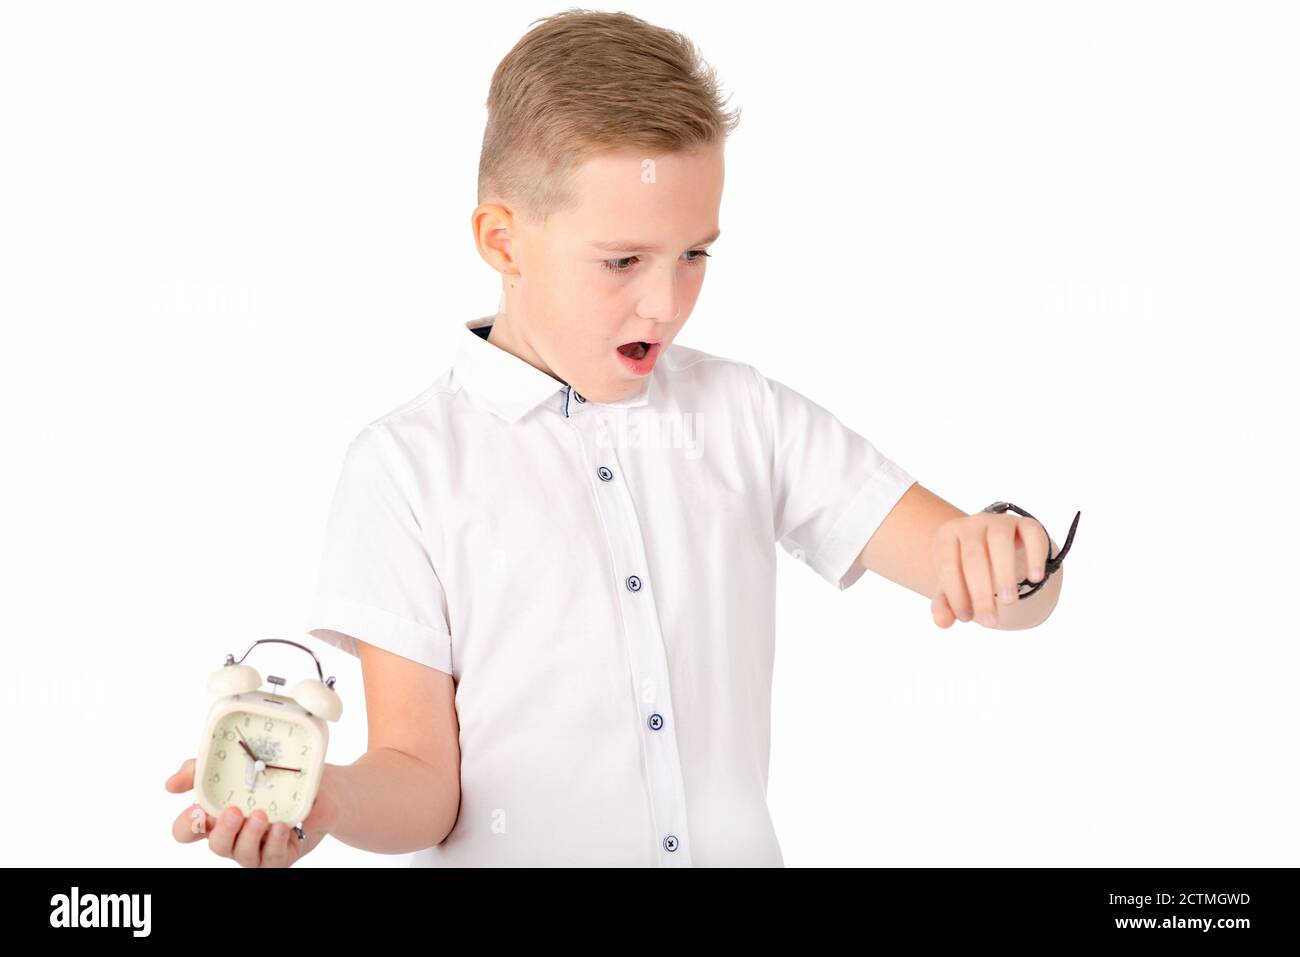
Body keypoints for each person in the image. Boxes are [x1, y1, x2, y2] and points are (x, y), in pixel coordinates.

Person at [167, 8, 1065, 868]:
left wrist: (1007, 553)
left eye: (694, 254)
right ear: (502, 240)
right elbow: (423, 785)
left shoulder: (745, 414)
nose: (664, 302)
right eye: (623, 260)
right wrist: (328, 801)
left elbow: (994, 583)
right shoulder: (406, 469)